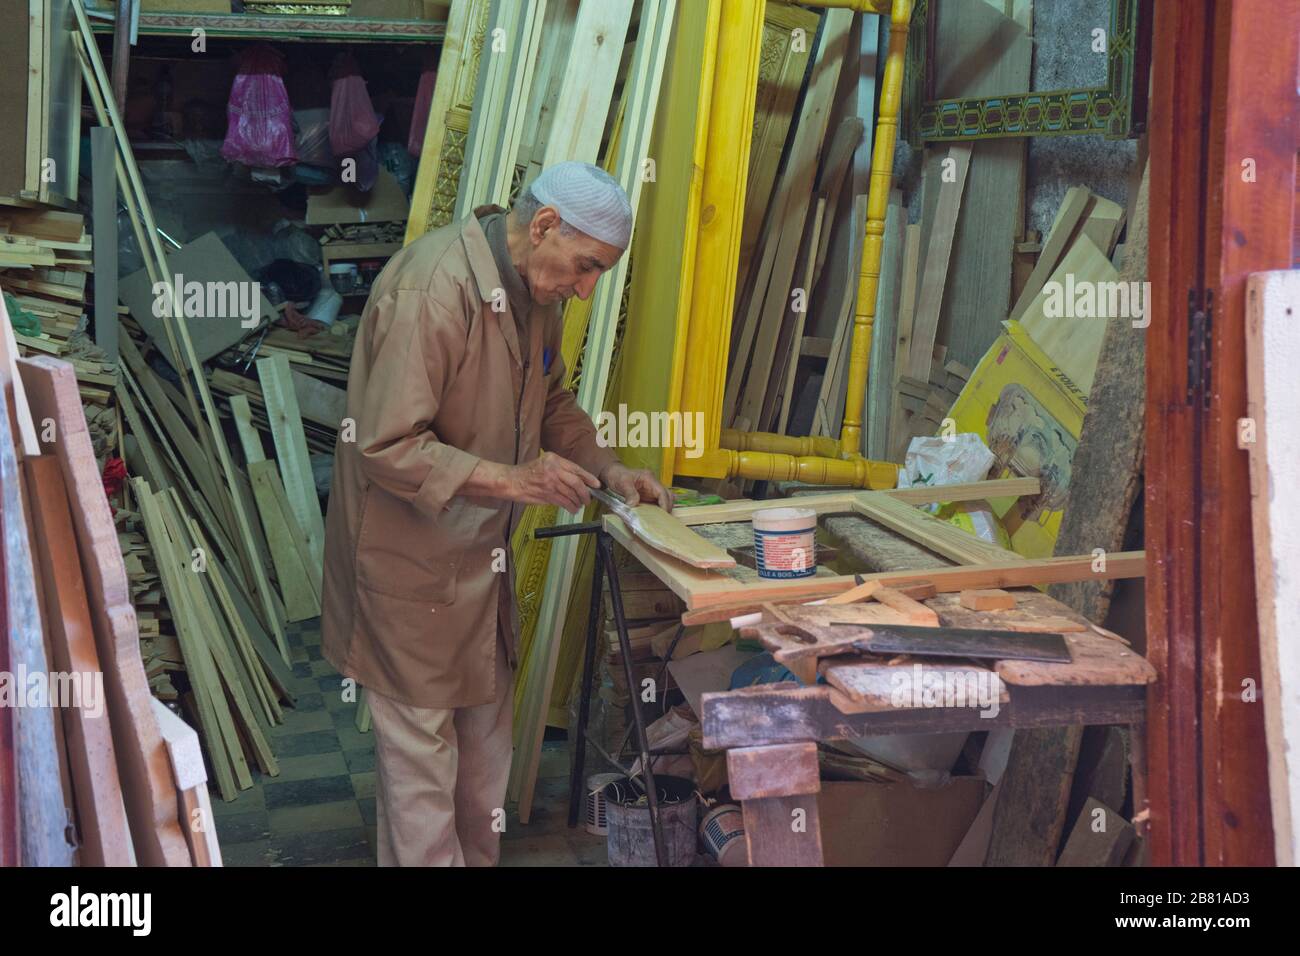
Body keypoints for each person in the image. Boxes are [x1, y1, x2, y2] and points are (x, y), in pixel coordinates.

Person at [321, 161, 671, 866]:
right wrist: (515, 482)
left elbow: (556, 402)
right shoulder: (433, 291)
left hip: (479, 571)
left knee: (483, 777)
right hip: (407, 573)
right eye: (586, 266)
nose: (588, 288)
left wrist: (610, 468)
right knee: (421, 780)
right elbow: (385, 446)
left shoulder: (536, 292)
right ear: (543, 226)